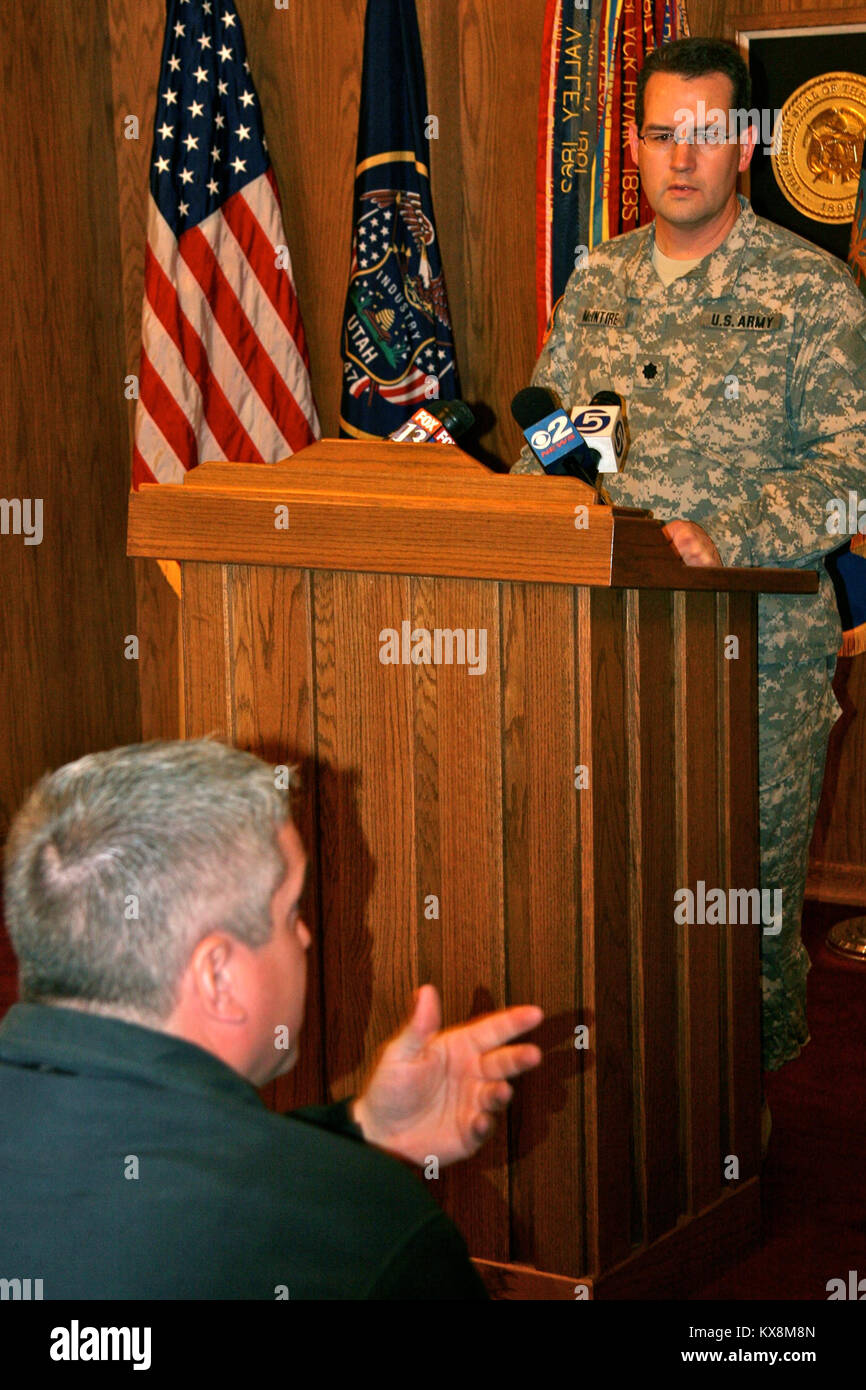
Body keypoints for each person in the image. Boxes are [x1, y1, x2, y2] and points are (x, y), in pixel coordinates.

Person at [514, 38, 866, 1074]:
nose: (681, 158)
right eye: (662, 135)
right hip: (605, 639)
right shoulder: (599, 281)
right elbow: (552, 432)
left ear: (746, 145)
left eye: (706, 136)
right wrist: (542, 489)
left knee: (739, 915)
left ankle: (738, 1155)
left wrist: (728, 536)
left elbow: (850, 471)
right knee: (612, 898)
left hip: (752, 652)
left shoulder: (813, 292)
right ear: (633, 146)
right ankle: (638, 1138)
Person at [0, 738, 542, 1299]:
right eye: (292, 911)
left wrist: (364, 1131)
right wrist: (351, 1176)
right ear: (218, 977)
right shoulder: (365, 1235)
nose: (306, 936)